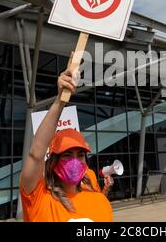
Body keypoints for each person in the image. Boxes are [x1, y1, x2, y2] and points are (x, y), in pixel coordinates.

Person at [19, 64, 113, 222]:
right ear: (53, 161)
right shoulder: (39, 199)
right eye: (67, 154)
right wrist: (60, 100)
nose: (75, 160)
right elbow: (36, 153)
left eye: (80, 155)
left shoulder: (101, 202)